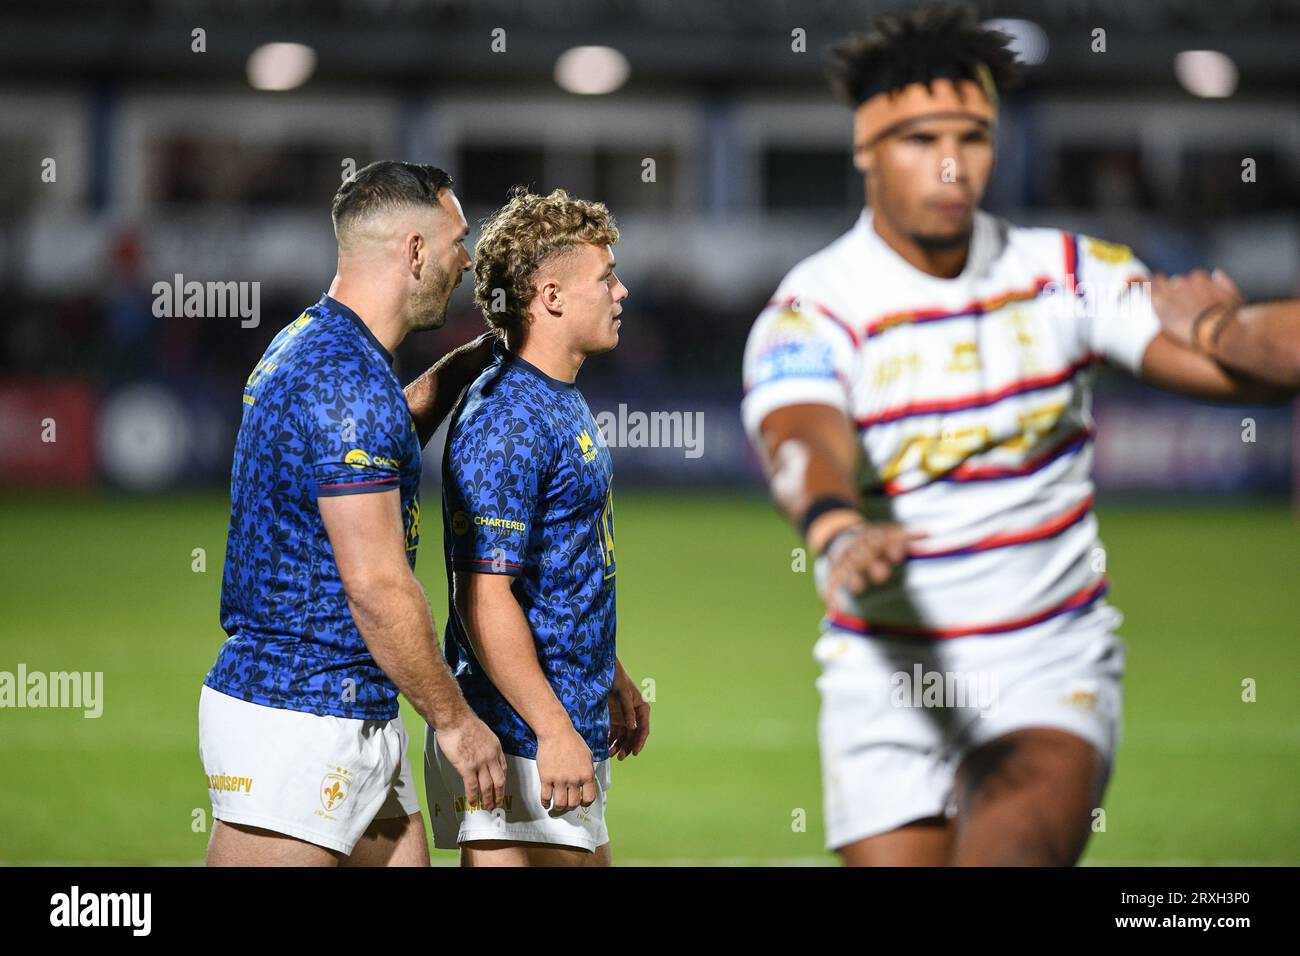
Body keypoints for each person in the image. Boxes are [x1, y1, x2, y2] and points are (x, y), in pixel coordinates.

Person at [740, 4, 1297, 866]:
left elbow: (1251, 361)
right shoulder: (814, 308)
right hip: (884, 674)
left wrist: (1219, 331)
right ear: (866, 148)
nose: (952, 163)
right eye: (920, 138)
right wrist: (834, 524)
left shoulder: (1064, 274)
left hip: (1047, 660)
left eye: (974, 135)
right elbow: (800, 438)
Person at [200, 161, 506, 867]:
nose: (466, 261)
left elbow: (377, 441)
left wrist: (465, 367)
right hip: (296, 718)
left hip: (349, 706)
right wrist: (456, 723)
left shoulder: (322, 348)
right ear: (415, 251)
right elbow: (375, 584)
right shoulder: (346, 383)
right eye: (458, 241)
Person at [426, 188, 650, 867]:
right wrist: (552, 729)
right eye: (605, 277)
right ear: (549, 295)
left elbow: (550, 574)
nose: (622, 291)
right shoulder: (507, 419)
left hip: (555, 724)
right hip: (522, 741)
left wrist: (607, 672)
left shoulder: (554, 394)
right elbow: (483, 597)